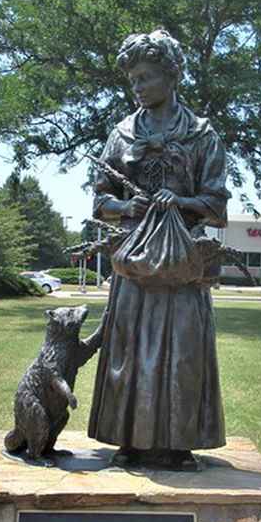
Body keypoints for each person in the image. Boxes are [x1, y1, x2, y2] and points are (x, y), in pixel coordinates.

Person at [87, 29, 229, 470]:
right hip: (134, 263)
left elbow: (218, 206)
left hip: (181, 266)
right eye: (133, 80)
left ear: (171, 75)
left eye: (146, 77)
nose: (139, 87)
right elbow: (99, 201)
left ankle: (178, 442)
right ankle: (128, 439)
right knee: (128, 350)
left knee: (183, 353)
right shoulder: (122, 134)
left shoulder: (202, 134)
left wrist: (181, 202)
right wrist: (127, 205)